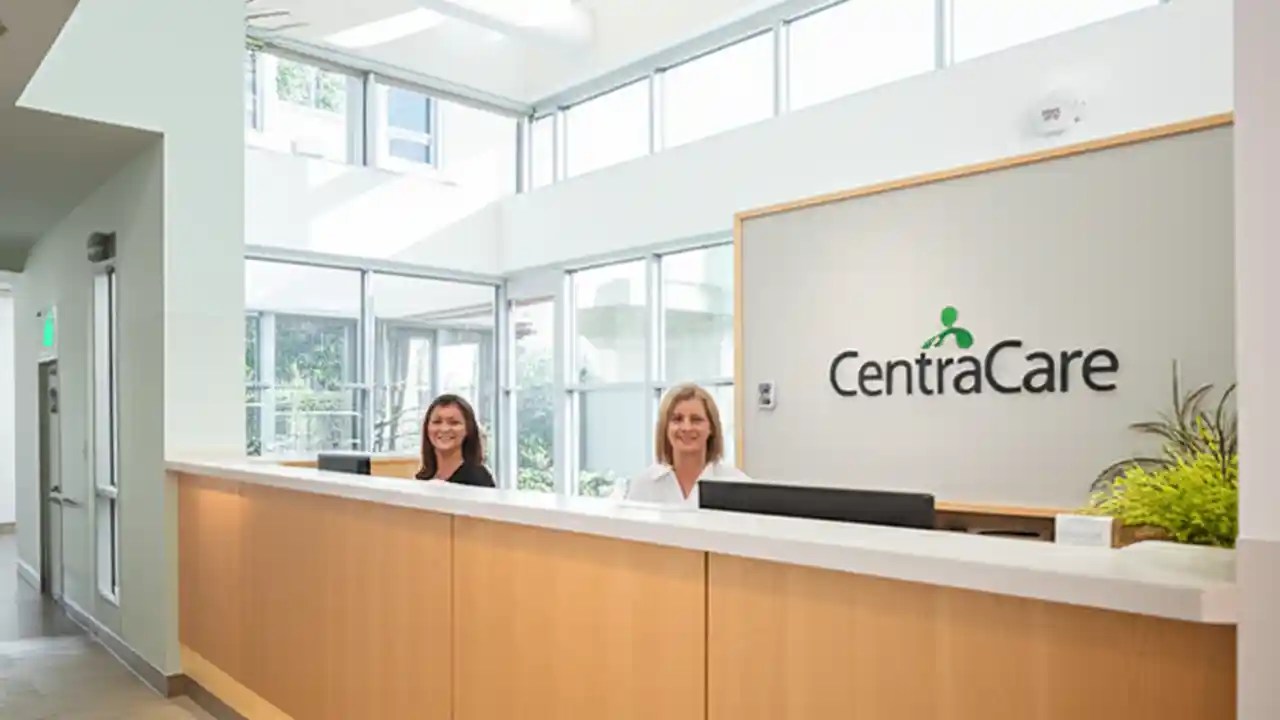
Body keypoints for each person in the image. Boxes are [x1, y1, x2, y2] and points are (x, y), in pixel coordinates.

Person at [619, 383, 748, 506]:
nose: (686, 427)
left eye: (696, 420)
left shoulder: (737, 485)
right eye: (677, 419)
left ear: (712, 428)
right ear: (665, 428)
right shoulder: (643, 485)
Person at [415, 394, 495, 487]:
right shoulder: (423, 478)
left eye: (454, 423)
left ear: (468, 429)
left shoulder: (478, 480)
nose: (444, 429)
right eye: (437, 422)